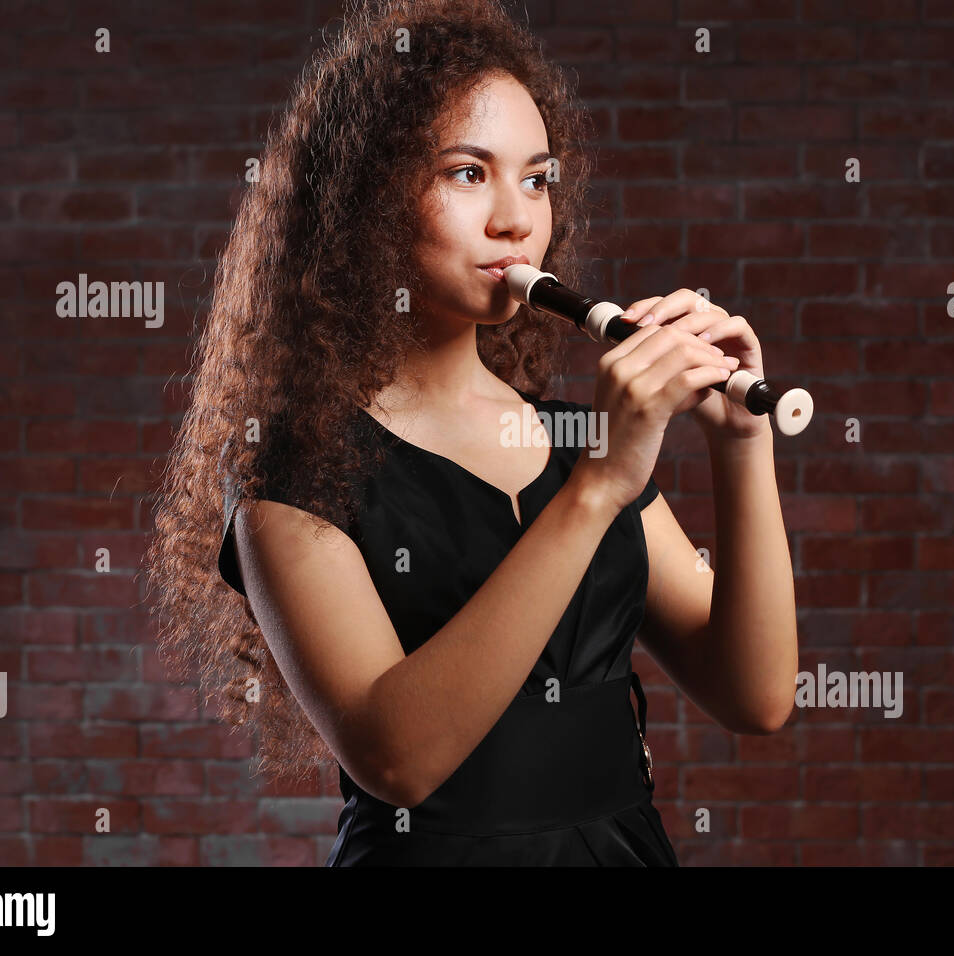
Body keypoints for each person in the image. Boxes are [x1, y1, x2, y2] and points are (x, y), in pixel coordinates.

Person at [146, 0, 798, 867]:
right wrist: (597, 488)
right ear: (366, 199)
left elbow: (755, 696)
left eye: (536, 179)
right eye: (467, 174)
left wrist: (740, 448)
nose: (515, 219)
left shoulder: (581, 440)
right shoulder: (293, 468)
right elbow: (397, 758)